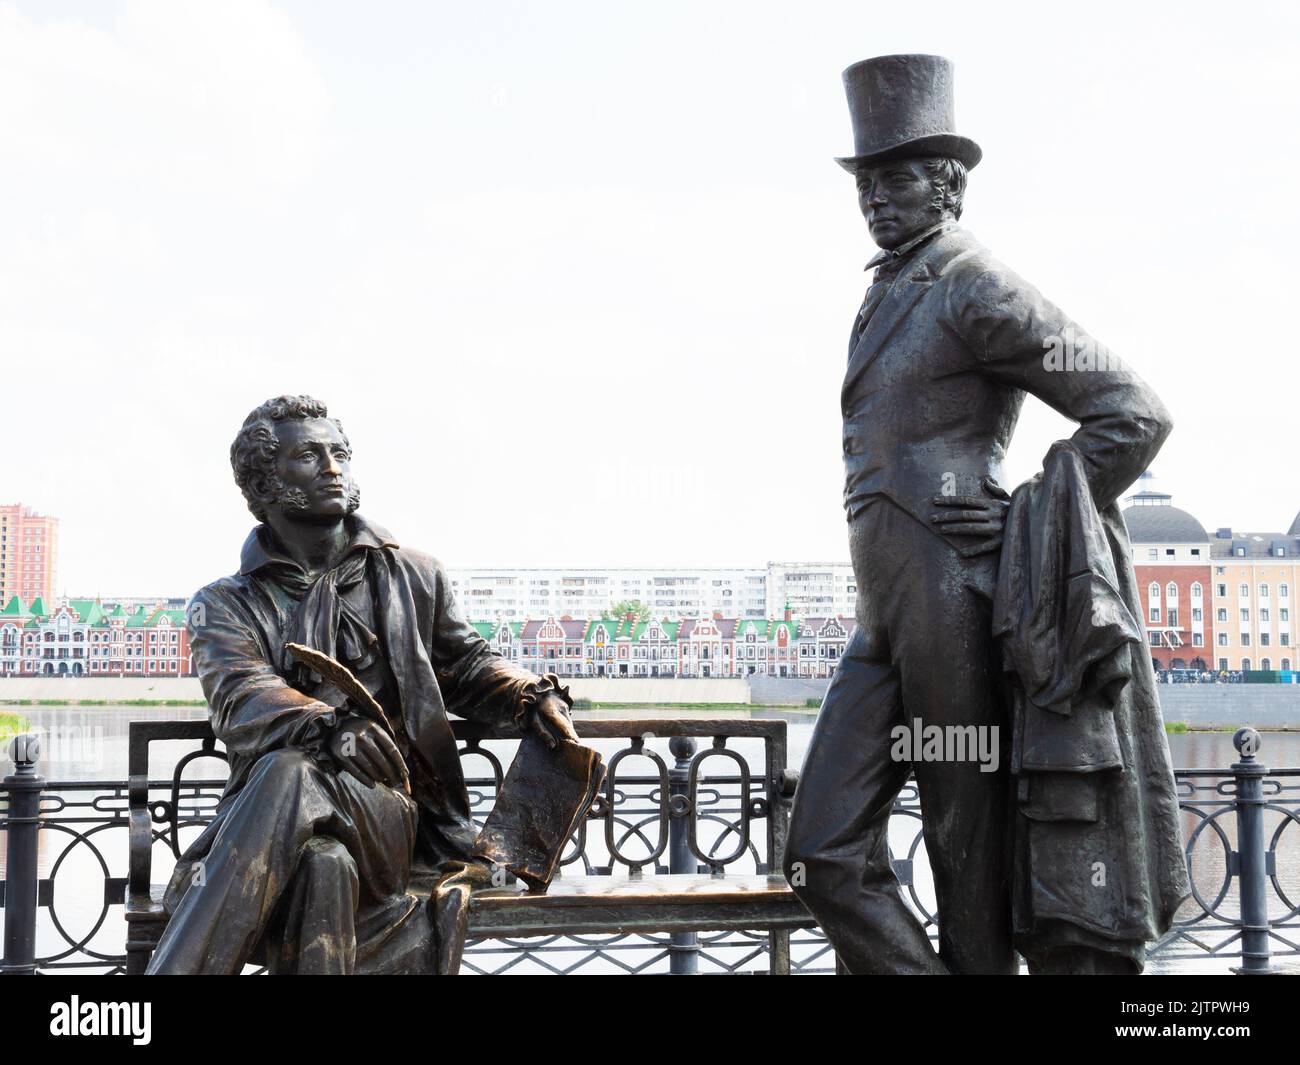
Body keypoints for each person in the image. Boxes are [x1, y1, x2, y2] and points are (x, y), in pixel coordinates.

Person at [783, 54, 1186, 974]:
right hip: (884, 618)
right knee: (822, 848)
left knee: (967, 851)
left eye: (899, 179)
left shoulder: (973, 282)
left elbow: (1133, 409)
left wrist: (1027, 515)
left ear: (948, 186)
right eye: (869, 182)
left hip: (954, 604)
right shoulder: (892, 286)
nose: (878, 199)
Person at [148, 395, 577, 974]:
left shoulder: (413, 574)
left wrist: (532, 694)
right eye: (310, 455)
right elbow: (241, 694)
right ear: (264, 484)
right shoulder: (227, 603)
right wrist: (329, 728)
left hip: (393, 813)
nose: (334, 467)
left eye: (340, 453)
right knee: (323, 864)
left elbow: (469, 665)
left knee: (288, 771)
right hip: (283, 828)